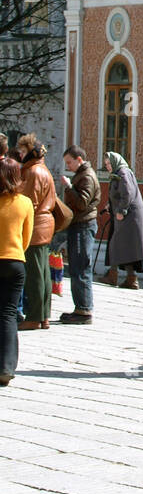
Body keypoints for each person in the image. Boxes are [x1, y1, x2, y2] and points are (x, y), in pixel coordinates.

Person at [16, 134, 56, 331]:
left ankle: (34, 316)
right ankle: (44, 316)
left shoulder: (33, 172)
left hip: (35, 226)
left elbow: (28, 202)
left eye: (23, 151)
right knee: (43, 272)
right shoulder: (43, 170)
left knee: (34, 274)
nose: (20, 155)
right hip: (44, 225)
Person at [0, 156, 34, 385]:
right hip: (15, 262)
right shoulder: (25, 202)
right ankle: (7, 366)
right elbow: (26, 239)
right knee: (9, 314)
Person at [59, 145, 101, 325]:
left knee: (81, 266)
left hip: (84, 225)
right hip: (79, 224)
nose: (68, 166)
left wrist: (69, 187)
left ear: (79, 159)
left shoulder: (87, 177)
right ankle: (80, 307)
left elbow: (82, 203)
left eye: (69, 162)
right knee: (76, 266)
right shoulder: (82, 175)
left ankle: (84, 309)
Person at [99, 152, 143, 289]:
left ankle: (115, 275)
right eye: (106, 165)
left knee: (117, 244)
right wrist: (111, 205)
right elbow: (119, 193)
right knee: (124, 247)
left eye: (109, 164)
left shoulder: (122, 173)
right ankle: (129, 278)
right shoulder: (121, 173)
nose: (108, 167)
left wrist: (122, 210)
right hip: (130, 217)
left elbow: (127, 193)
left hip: (130, 217)